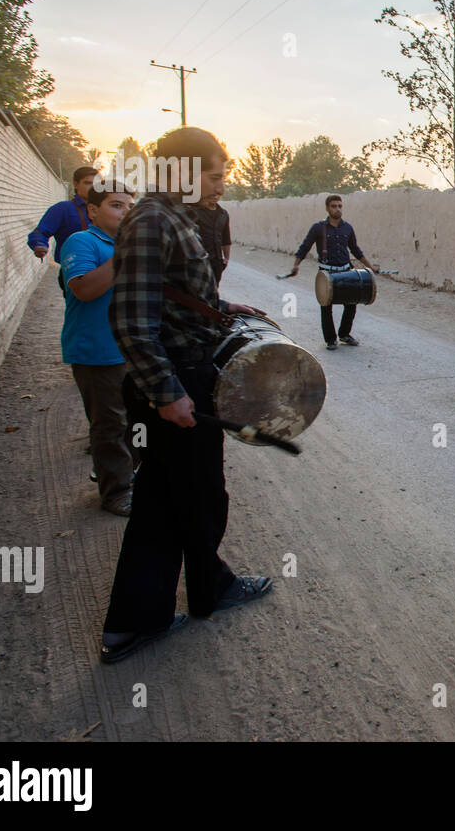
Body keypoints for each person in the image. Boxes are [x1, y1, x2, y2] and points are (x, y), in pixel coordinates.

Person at [100, 127, 273, 664]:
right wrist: (167, 393)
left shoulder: (176, 218)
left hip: (190, 375)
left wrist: (221, 307)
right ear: (183, 170)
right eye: (216, 174)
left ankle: (200, 590)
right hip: (175, 384)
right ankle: (138, 620)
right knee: (173, 501)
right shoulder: (152, 220)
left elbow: (178, 293)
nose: (223, 184)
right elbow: (130, 320)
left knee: (188, 495)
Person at [60, 183, 136, 516]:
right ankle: (116, 492)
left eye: (131, 207)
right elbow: (85, 289)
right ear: (93, 211)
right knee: (109, 425)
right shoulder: (82, 242)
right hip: (96, 352)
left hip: (131, 350)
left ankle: (117, 473)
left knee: (136, 421)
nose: (126, 213)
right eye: (117, 206)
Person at [290, 195, 377, 350]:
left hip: (346, 271)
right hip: (326, 272)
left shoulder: (347, 228)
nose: (337, 209)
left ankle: (344, 334)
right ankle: (331, 339)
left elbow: (355, 250)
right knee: (326, 306)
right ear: (327, 208)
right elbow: (305, 247)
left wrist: (370, 268)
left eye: (339, 206)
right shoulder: (318, 228)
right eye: (333, 206)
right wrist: (296, 265)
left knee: (351, 304)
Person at [28, 166, 97, 295]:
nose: (92, 187)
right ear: (75, 184)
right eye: (88, 183)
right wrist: (39, 245)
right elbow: (40, 232)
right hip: (74, 271)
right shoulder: (63, 209)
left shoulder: (105, 209)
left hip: (102, 269)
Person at [191, 182, 232, 283]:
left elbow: (226, 239)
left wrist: (226, 258)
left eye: (217, 195)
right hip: (200, 260)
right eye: (212, 194)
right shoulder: (194, 212)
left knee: (214, 290)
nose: (215, 197)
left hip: (217, 262)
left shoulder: (223, 214)